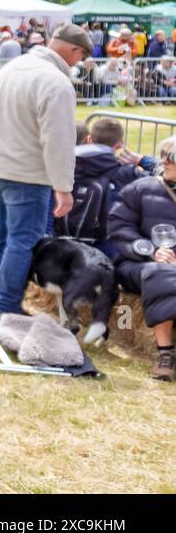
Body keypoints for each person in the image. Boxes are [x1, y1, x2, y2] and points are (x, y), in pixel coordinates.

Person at [0, 23, 87, 317]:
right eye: (80, 56)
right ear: (74, 50)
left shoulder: (12, 67)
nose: (78, 62)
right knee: (22, 241)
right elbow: (59, 139)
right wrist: (63, 187)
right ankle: (8, 306)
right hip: (25, 173)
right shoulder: (56, 82)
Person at [107, 140, 176, 382]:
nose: (164, 160)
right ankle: (165, 353)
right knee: (161, 274)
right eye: (163, 154)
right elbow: (118, 228)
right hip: (138, 264)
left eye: (172, 156)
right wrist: (152, 252)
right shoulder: (141, 189)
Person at [64, 116, 156, 247]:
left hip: (65, 239)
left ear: (89, 140)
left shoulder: (67, 166)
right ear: (120, 144)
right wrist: (143, 161)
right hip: (108, 243)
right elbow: (163, 179)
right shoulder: (126, 173)